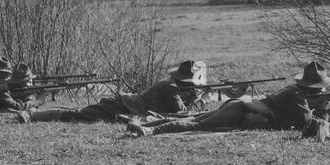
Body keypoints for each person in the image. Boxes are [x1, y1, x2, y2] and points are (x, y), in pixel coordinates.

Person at [128, 62, 330, 137]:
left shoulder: (295, 92)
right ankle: (149, 129)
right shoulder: (297, 96)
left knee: (195, 120)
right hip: (240, 111)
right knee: (196, 124)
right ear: (314, 89)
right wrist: (327, 112)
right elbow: (308, 125)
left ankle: (146, 124)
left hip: (239, 108)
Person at [13, 60, 205, 124]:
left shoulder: (172, 87)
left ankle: (33, 114)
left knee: (80, 113)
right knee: (78, 115)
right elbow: (180, 114)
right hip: (120, 105)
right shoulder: (170, 88)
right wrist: (198, 101)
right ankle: (32, 115)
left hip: (124, 107)